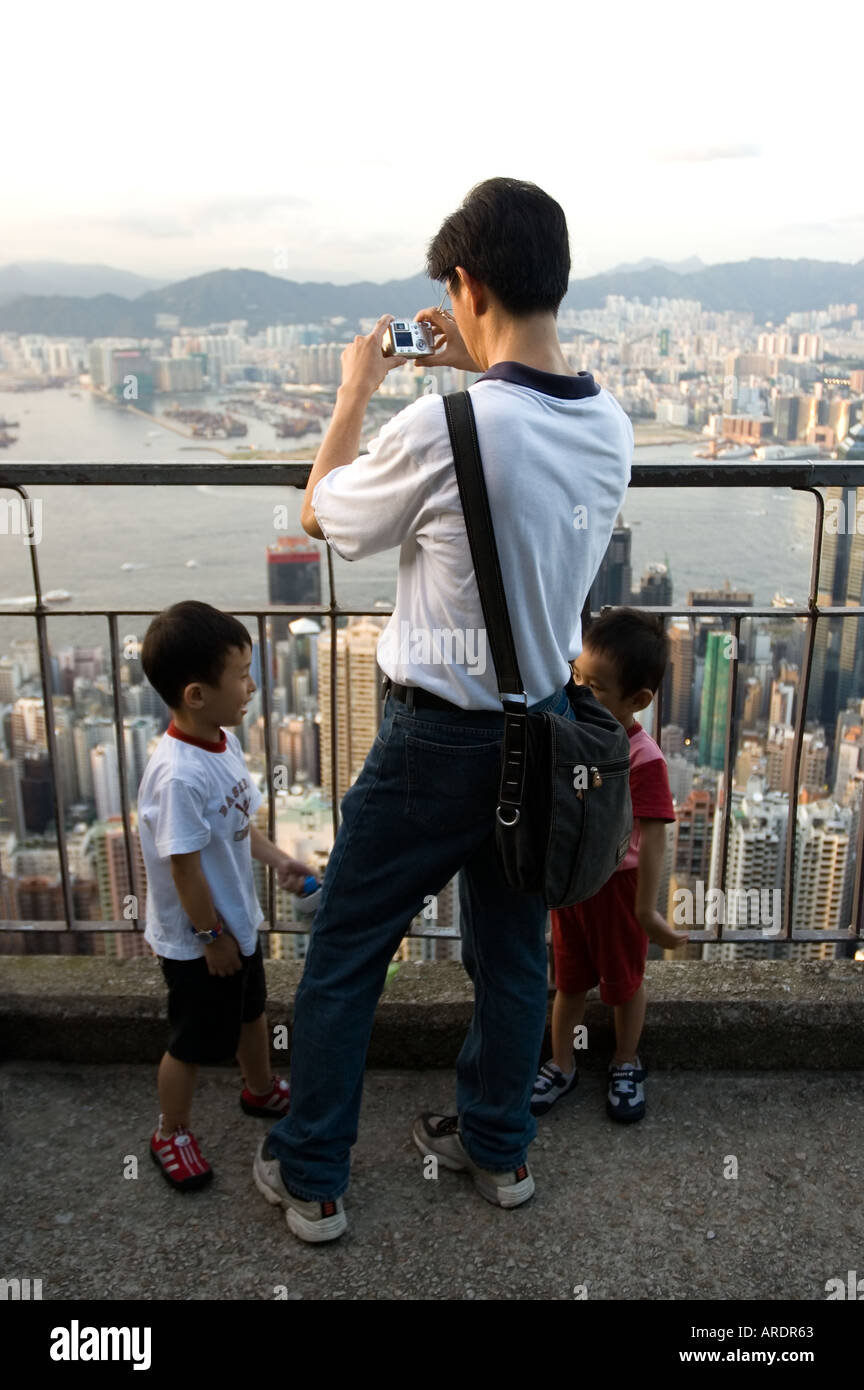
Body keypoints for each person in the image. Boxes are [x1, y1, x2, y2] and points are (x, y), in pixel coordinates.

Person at [252, 177, 634, 1243]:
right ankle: (499, 1147)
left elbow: (328, 516)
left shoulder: (442, 424)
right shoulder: (611, 424)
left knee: (347, 948)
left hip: (436, 740)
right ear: (553, 279)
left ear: (463, 285)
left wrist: (351, 395)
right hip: (544, 732)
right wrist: (482, 361)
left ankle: (315, 1172)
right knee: (512, 959)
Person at [138, 601, 314, 1190]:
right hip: (199, 941)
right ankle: (172, 1131)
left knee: (251, 1010)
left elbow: (241, 824)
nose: (252, 686)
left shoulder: (221, 740)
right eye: (240, 674)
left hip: (237, 924)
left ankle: (260, 1089)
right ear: (195, 693)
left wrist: (279, 860)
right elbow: (184, 869)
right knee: (191, 1042)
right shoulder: (179, 774)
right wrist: (210, 938)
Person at [530, 607, 687, 1125]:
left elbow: (657, 835)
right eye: (577, 677)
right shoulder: (571, 733)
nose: (579, 692)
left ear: (637, 700)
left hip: (618, 892)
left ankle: (625, 1060)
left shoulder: (644, 759)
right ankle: (562, 1062)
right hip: (575, 886)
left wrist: (648, 911)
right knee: (569, 980)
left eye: (595, 687)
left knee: (624, 981)